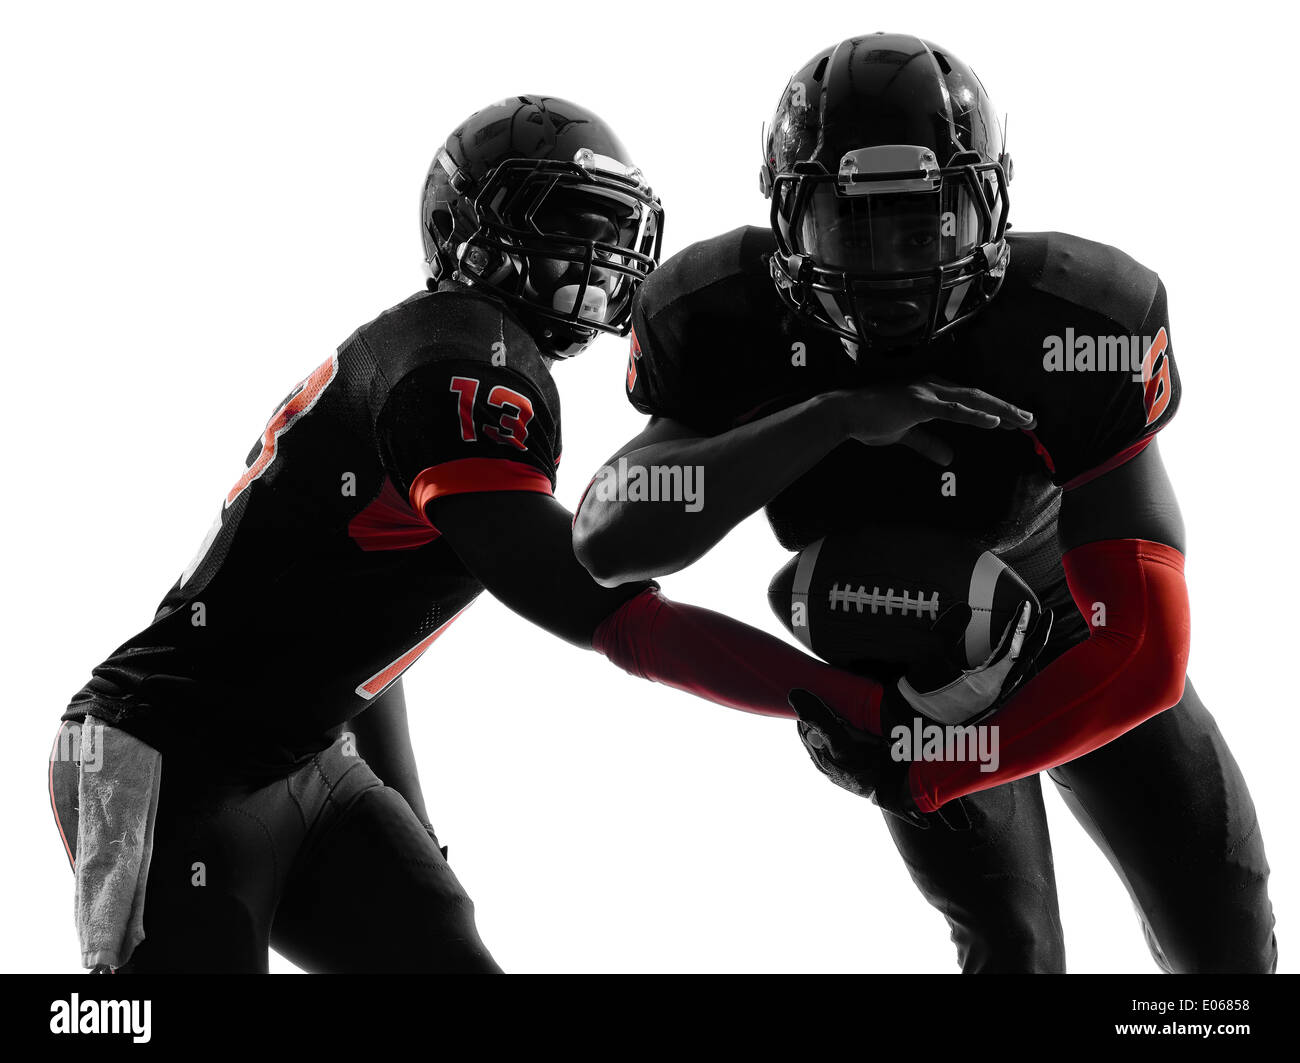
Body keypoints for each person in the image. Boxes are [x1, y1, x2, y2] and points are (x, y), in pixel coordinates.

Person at [52, 94, 1010, 973]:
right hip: (168, 753)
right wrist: (847, 698)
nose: (595, 256)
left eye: (610, 229)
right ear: (468, 230)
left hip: (305, 761)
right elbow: (613, 615)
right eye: (564, 223)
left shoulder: (450, 350)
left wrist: (407, 817)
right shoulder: (458, 360)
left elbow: (362, 636)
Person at [572, 35, 1277, 973]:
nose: (894, 265)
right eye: (849, 224)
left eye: (924, 223)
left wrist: (938, 769)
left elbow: (1143, 649)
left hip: (1076, 626)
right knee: (1012, 949)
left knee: (1223, 936)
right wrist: (831, 417)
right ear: (788, 222)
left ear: (987, 205)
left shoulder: (1078, 321)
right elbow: (609, 535)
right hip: (909, 651)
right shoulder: (726, 318)